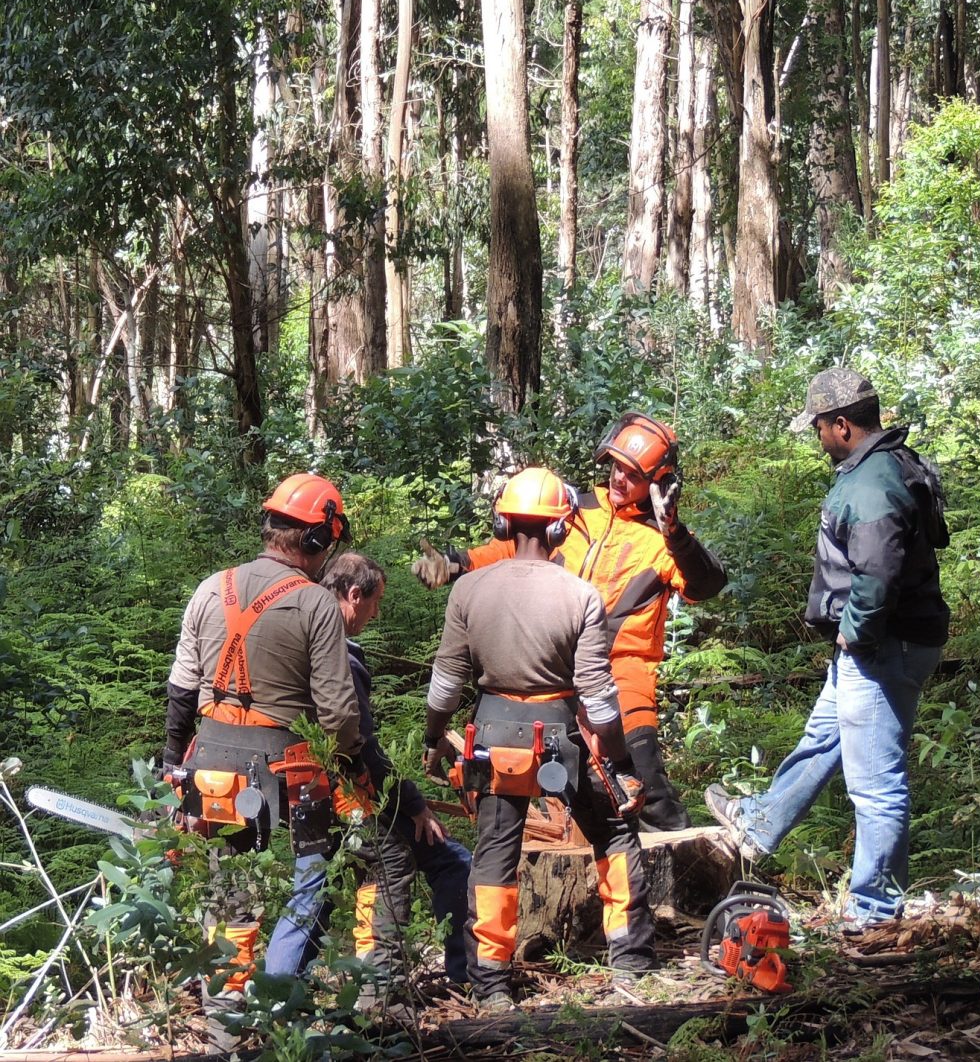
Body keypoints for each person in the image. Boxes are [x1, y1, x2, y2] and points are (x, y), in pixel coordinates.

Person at [705, 369, 950, 926]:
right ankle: (762, 820)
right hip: (881, 645)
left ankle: (876, 911)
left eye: (818, 426)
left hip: (883, 648)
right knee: (822, 740)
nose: (816, 437)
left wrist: (856, 631)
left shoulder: (870, 484)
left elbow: (878, 571)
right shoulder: (884, 466)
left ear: (841, 426)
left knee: (876, 786)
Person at [413, 413, 727, 829]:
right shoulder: (577, 508)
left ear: (658, 481)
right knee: (527, 779)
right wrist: (455, 564)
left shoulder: (663, 540)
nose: (618, 479)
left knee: (643, 779)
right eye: (616, 466)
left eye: (632, 474)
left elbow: (706, 585)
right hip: (555, 667)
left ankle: (672, 866)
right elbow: (509, 549)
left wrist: (675, 531)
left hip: (622, 675)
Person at [423, 467, 656, 1011]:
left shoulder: (468, 588)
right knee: (615, 834)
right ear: (560, 529)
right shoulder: (580, 595)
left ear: (503, 523)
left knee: (494, 855)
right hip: (564, 732)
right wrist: (620, 762)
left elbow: (445, 682)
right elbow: (598, 696)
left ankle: (491, 984)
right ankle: (632, 963)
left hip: (492, 735)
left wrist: (435, 737)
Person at [162, 472, 362, 1032]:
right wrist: (356, 761)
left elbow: (181, 689)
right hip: (288, 765)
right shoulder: (316, 605)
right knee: (316, 874)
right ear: (319, 540)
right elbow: (340, 714)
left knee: (230, 886)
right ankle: (280, 994)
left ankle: (227, 1010)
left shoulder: (210, 587)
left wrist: (172, 763)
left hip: (210, 762)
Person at [264, 552, 471, 998]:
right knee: (435, 858)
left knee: (311, 890)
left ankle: (277, 997)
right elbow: (363, 747)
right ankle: (408, 987)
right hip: (351, 797)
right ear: (353, 595)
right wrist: (412, 803)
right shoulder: (338, 656)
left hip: (305, 791)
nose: (375, 614)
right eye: (374, 603)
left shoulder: (297, 637)